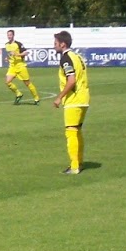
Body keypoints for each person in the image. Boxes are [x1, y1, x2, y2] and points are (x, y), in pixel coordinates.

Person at [51, 30, 90, 175]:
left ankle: (74, 166)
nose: (54, 46)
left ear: (63, 44)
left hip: (74, 101)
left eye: (55, 43)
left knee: (71, 132)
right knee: (77, 131)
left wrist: (59, 97)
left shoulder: (66, 58)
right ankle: (79, 162)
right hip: (84, 99)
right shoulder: (77, 56)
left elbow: (71, 80)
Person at [2, 30, 41, 105]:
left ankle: (36, 98)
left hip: (20, 66)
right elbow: (10, 54)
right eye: (8, 35)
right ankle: (18, 94)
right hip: (12, 67)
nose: (9, 36)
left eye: (10, 35)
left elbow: (26, 53)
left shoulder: (18, 44)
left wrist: (17, 54)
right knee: (7, 82)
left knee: (27, 83)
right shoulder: (6, 45)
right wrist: (7, 58)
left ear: (13, 35)